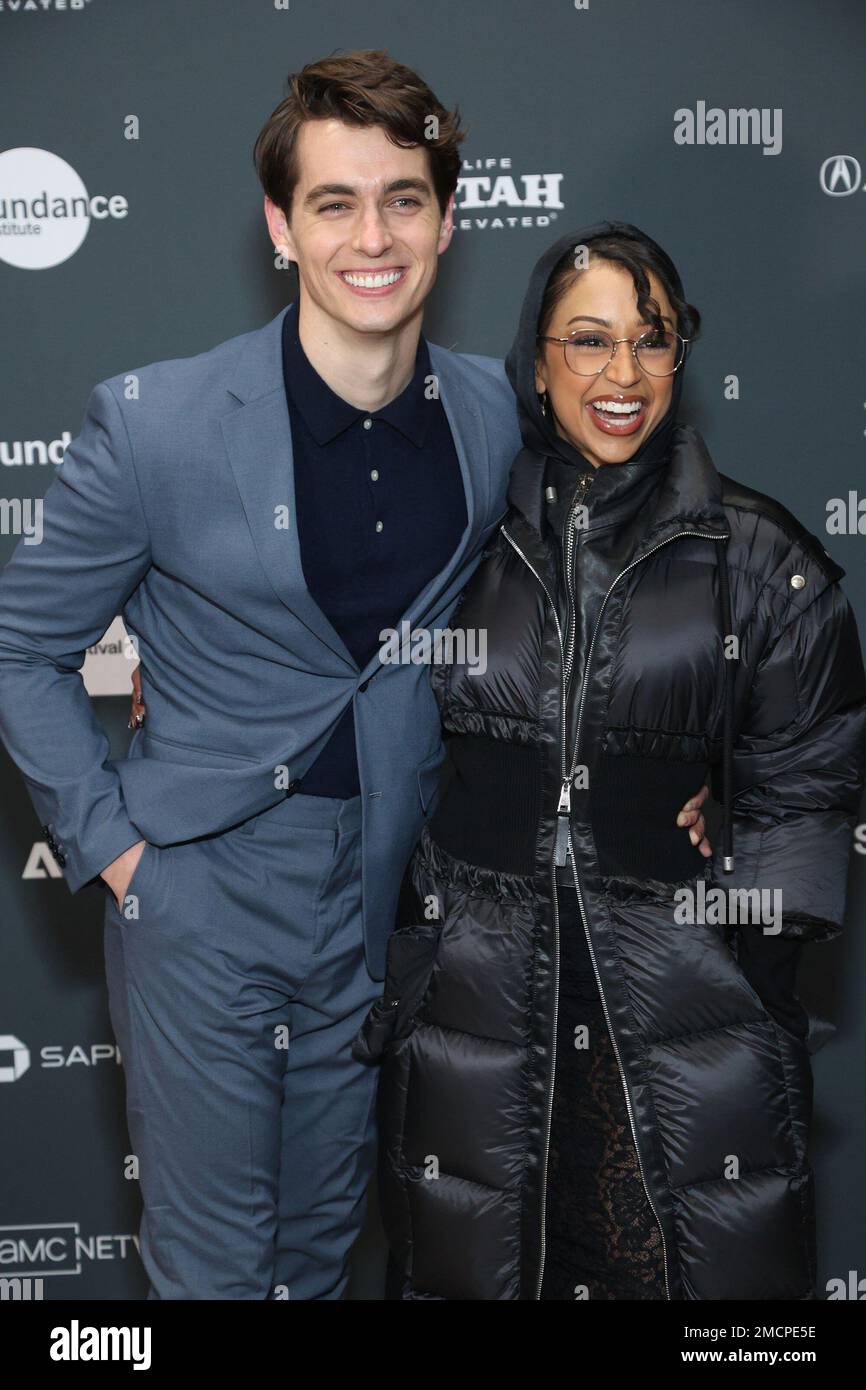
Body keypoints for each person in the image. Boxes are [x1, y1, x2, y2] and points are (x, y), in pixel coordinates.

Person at [0, 49, 706, 1300]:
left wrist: (705, 768)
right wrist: (116, 850)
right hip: (202, 893)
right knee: (215, 1278)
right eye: (333, 202)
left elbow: (612, 602)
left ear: (444, 217)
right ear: (281, 225)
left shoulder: (499, 417)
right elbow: (20, 645)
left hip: (386, 906)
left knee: (319, 1264)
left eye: (402, 198)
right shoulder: (157, 425)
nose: (369, 236)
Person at [354, 221, 866, 1301]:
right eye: (587, 341)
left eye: (651, 339)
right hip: (476, 1022)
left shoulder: (759, 558)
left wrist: (745, 951)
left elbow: (813, 781)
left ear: (681, 353)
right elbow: (350, 700)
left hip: (686, 1026)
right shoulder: (452, 544)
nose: (620, 374)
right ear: (535, 360)